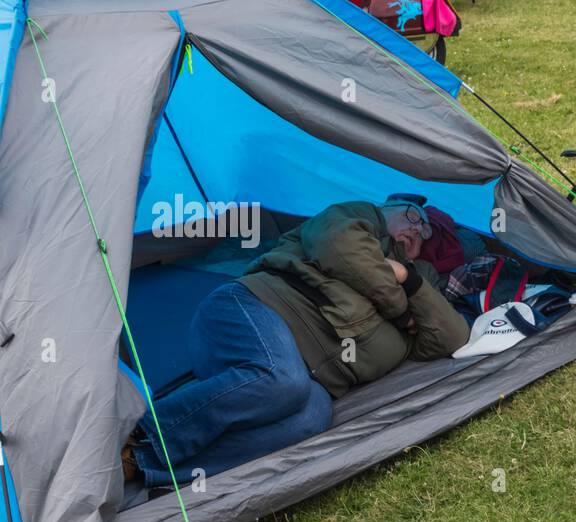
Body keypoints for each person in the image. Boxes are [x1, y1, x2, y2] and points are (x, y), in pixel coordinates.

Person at [126, 197, 469, 488]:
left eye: (424, 233)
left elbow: (452, 337)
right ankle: (140, 437)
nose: (415, 228)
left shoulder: (412, 283)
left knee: (312, 419)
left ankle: (145, 468)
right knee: (281, 378)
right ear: (388, 205)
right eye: (411, 215)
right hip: (247, 311)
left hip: (294, 381)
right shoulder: (359, 218)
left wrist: (408, 279)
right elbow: (338, 243)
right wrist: (397, 309)